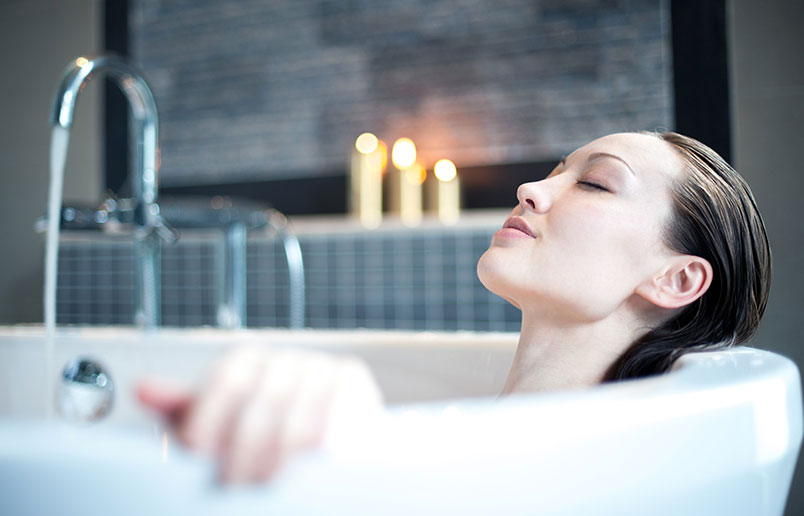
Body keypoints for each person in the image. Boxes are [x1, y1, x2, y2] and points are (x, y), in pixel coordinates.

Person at [137, 131, 771, 483]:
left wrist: (358, 439)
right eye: (556, 169)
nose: (531, 189)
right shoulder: (510, 448)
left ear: (677, 279)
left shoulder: (608, 482)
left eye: (595, 182)